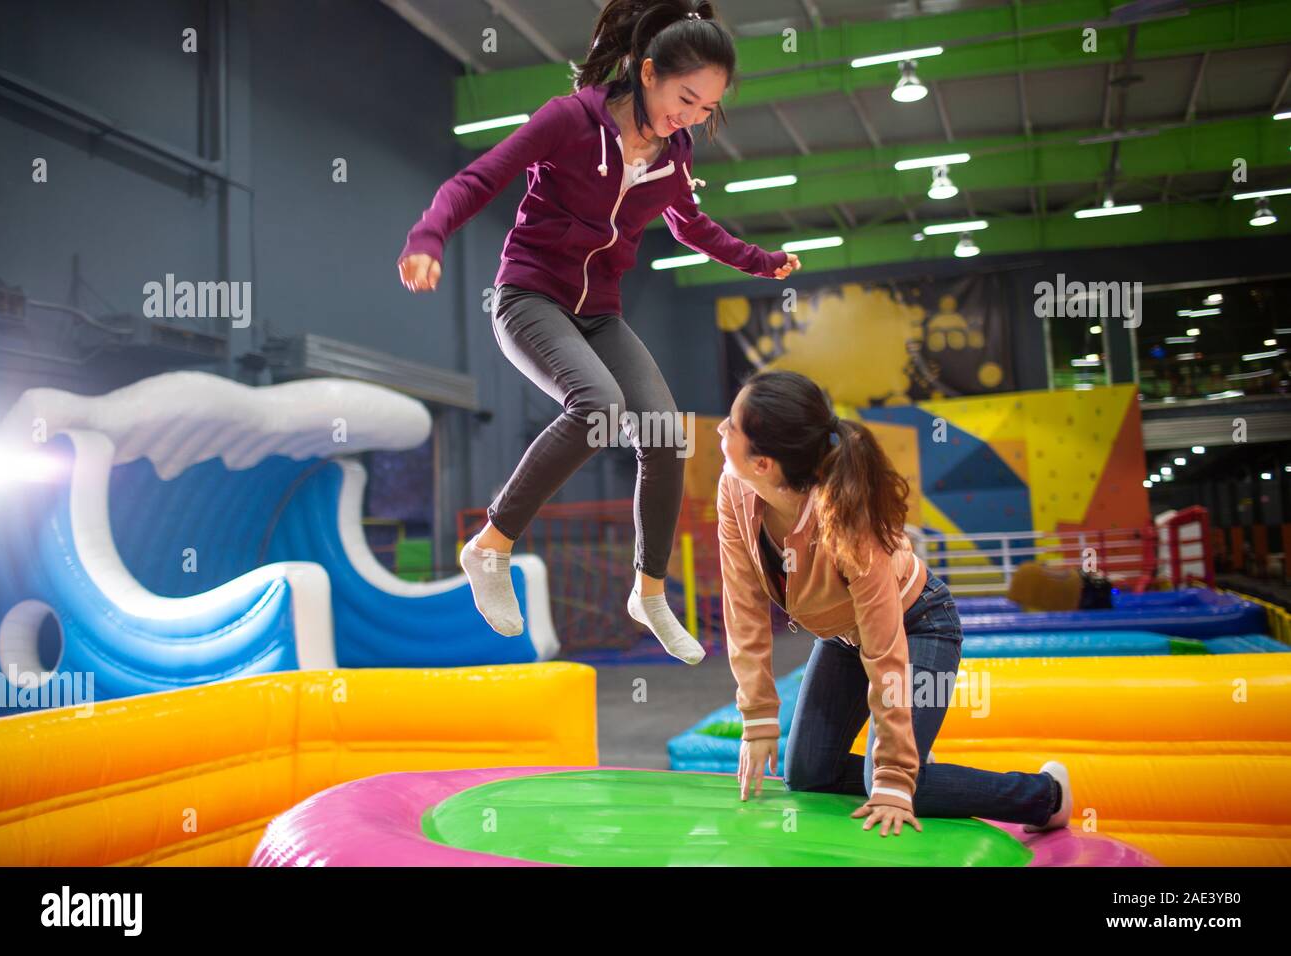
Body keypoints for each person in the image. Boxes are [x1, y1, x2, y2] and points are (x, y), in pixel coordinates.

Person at [398, 0, 800, 663]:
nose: (693, 116)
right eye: (686, 97)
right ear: (648, 73)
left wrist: (759, 261)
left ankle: (647, 590)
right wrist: (428, 237)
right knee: (600, 408)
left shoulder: (675, 152)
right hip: (528, 298)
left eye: (706, 108)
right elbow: (478, 178)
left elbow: (690, 225)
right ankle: (490, 547)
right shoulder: (570, 121)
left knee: (665, 430)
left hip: (600, 313)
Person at [716, 369, 1073, 836]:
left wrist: (894, 776)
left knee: (894, 786)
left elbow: (886, 650)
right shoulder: (735, 491)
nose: (722, 429)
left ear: (763, 463)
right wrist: (758, 716)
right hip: (846, 638)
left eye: (732, 425)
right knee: (807, 776)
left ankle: (1047, 795)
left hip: (920, 625)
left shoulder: (844, 518)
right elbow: (742, 605)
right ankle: (911, 758)